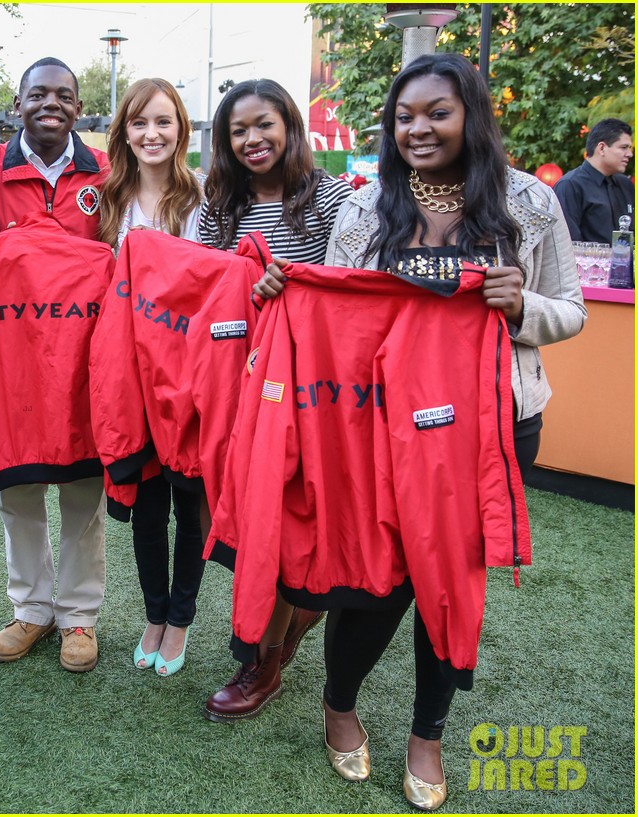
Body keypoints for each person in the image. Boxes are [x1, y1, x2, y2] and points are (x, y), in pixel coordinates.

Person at [267, 53, 583, 810]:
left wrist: (520, 306)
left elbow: (567, 309)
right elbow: (333, 314)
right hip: (375, 430)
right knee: (374, 585)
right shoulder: (365, 206)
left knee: (451, 587)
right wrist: (279, 289)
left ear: (471, 114)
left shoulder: (530, 204)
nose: (418, 128)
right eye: (405, 116)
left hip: (493, 429)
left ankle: (426, 735)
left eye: (437, 112)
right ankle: (339, 703)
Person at [198, 79, 351, 720]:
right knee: (260, 524)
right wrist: (244, 288)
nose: (253, 140)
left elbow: (352, 281)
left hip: (317, 388)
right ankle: (267, 652)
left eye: (264, 125)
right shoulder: (219, 206)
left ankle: (271, 652)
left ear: (289, 125)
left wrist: (293, 294)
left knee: (301, 528)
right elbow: (202, 291)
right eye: (239, 131)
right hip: (243, 383)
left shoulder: (329, 198)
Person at [0, 57, 109, 673]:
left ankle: (79, 615)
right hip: (11, 356)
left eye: (63, 95)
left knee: (85, 482)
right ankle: (31, 608)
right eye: (38, 94)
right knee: (18, 482)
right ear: (18, 103)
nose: (50, 103)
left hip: (84, 354)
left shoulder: (105, 172)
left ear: (78, 108)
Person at [98, 78, 205, 676]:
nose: (152, 134)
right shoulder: (109, 200)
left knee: (190, 506)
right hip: (131, 380)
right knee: (146, 505)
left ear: (181, 130)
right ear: (125, 133)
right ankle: (153, 614)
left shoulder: (203, 200)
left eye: (163, 122)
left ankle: (181, 622)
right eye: (139, 123)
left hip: (188, 379)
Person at [554, 118, 634, 243]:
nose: (630, 154)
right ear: (601, 148)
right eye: (624, 147)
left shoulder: (625, 185)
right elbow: (567, 244)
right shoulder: (570, 185)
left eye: (630, 148)